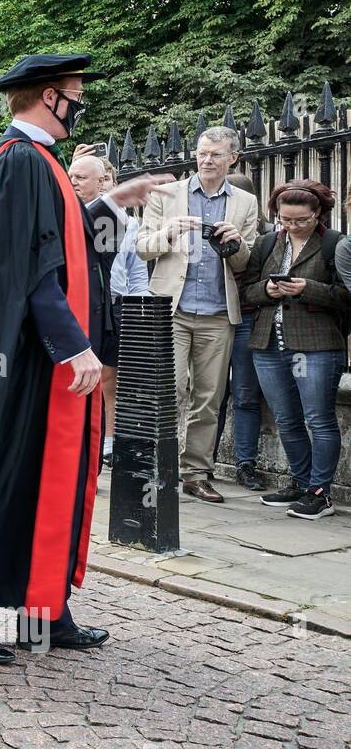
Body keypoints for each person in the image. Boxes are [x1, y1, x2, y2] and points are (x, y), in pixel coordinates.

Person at [0, 53, 168, 664]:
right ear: (49, 97)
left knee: (38, 482)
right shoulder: (22, 162)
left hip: (25, 355)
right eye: (74, 94)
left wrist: (115, 197)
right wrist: (73, 346)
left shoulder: (25, 160)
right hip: (22, 361)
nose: (79, 105)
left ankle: (44, 613)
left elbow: (61, 236)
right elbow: (33, 266)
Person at [137, 127, 259, 503]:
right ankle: (162, 465)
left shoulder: (244, 201)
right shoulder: (168, 194)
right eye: (202, 153)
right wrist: (168, 234)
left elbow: (247, 259)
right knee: (170, 390)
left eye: (216, 155)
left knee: (209, 397)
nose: (206, 161)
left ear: (232, 159)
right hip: (170, 308)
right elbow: (142, 248)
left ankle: (196, 474)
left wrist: (234, 242)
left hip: (219, 312)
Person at [241, 180, 349, 519]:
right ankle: (301, 483)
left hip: (315, 344)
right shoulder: (266, 242)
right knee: (286, 419)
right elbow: (246, 291)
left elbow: (346, 296)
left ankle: (321, 493)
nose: (291, 226)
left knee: (318, 419)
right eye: (285, 219)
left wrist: (308, 289)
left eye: (300, 220)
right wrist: (268, 291)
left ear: (317, 214)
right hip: (268, 344)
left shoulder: (335, 244)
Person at [69, 151, 139, 465]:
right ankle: (80, 447)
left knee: (107, 380)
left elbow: (132, 269)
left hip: (113, 307)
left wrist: (137, 305)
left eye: (81, 178)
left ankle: (103, 444)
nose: (74, 183)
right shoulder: (65, 213)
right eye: (73, 177)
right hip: (74, 311)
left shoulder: (122, 222)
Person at [215, 172, 266, 490]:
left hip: (247, 319)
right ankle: (201, 464)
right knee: (211, 396)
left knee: (246, 395)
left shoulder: (267, 236)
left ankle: (245, 464)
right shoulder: (210, 230)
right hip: (215, 316)